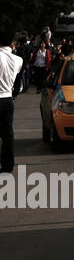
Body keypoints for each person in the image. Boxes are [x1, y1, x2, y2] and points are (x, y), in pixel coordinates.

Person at [0, 30, 22, 173]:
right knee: (7, 134)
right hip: (8, 99)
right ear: (12, 43)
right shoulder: (18, 60)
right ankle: (7, 166)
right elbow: (18, 84)